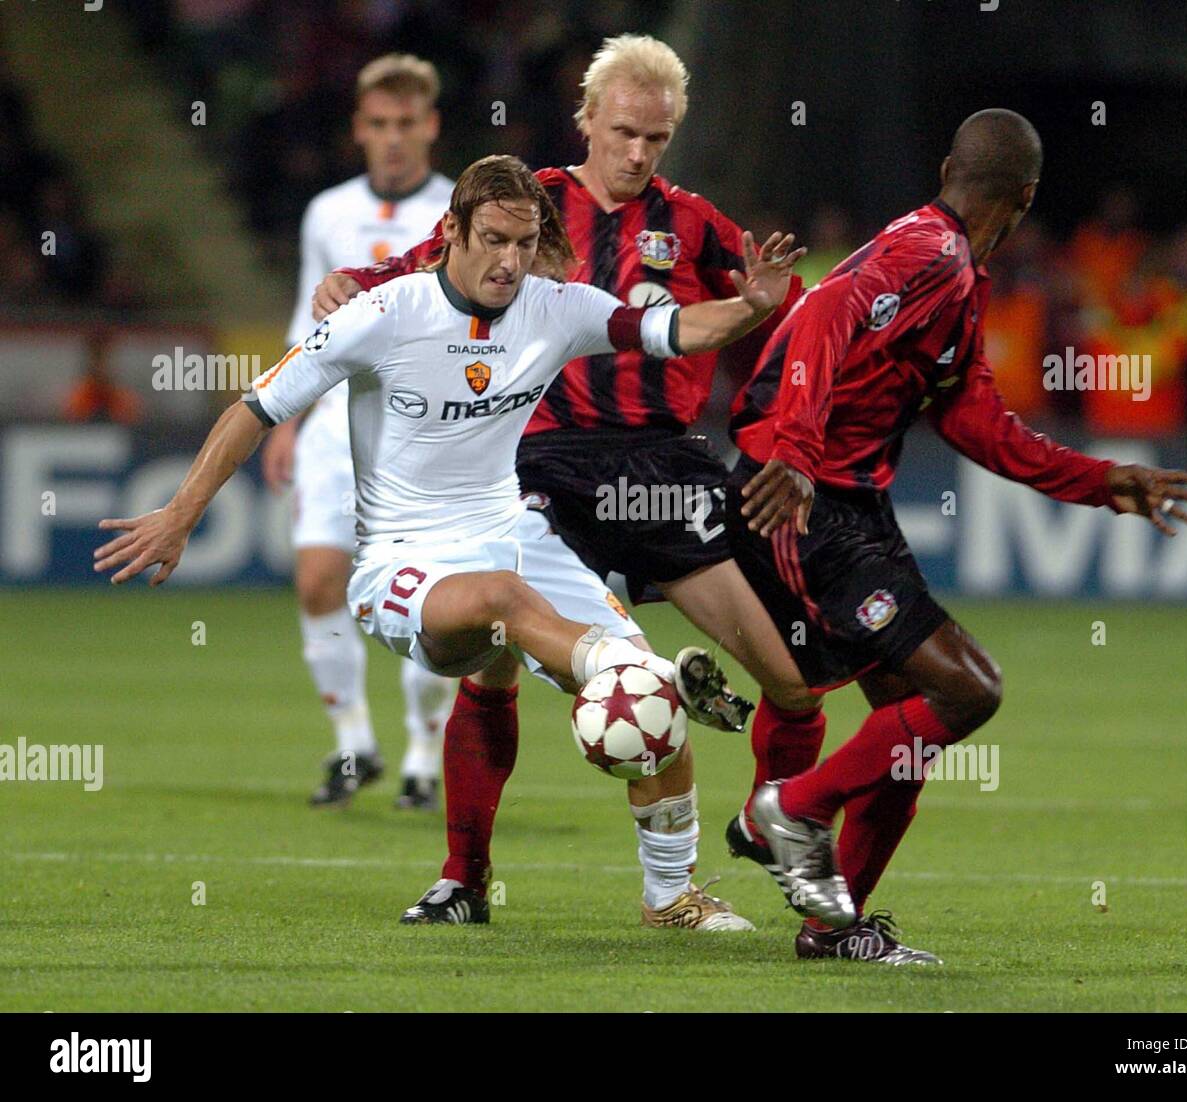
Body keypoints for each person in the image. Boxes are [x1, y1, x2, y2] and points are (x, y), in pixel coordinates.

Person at [93, 154, 802, 928]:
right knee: (548, 629)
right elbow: (256, 407)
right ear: (454, 231)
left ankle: (672, 897)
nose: (510, 261)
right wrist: (181, 512)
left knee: (653, 714)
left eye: (526, 243)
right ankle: (628, 668)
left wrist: (750, 309)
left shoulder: (555, 307)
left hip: (514, 536)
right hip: (403, 562)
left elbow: (666, 330)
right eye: (493, 239)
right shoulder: (384, 314)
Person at [309, 33, 835, 932]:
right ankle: (464, 880)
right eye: (625, 131)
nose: (638, 153)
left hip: (665, 471)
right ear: (588, 117)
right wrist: (350, 282)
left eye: (657, 139)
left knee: (793, 683)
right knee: (496, 666)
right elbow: (423, 275)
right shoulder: (529, 206)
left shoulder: (697, 224)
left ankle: (766, 829)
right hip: (542, 464)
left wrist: (768, 336)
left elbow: (774, 319)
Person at [726, 109, 1187, 963]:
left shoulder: (958, 277)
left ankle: (832, 929)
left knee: (906, 734)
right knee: (969, 689)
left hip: (849, 509)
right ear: (1025, 198)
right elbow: (830, 306)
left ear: (951, 165)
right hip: (808, 503)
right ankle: (793, 807)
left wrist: (1100, 481)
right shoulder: (930, 253)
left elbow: (975, 420)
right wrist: (798, 452)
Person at [260, 55, 459, 810]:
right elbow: (305, 325)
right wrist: (287, 416)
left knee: (433, 597)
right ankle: (352, 747)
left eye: (406, 124)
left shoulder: (460, 213)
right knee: (317, 579)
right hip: (333, 416)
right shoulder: (328, 212)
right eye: (378, 124)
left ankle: (422, 749)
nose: (393, 139)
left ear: (431, 125)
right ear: (358, 129)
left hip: (424, 429)